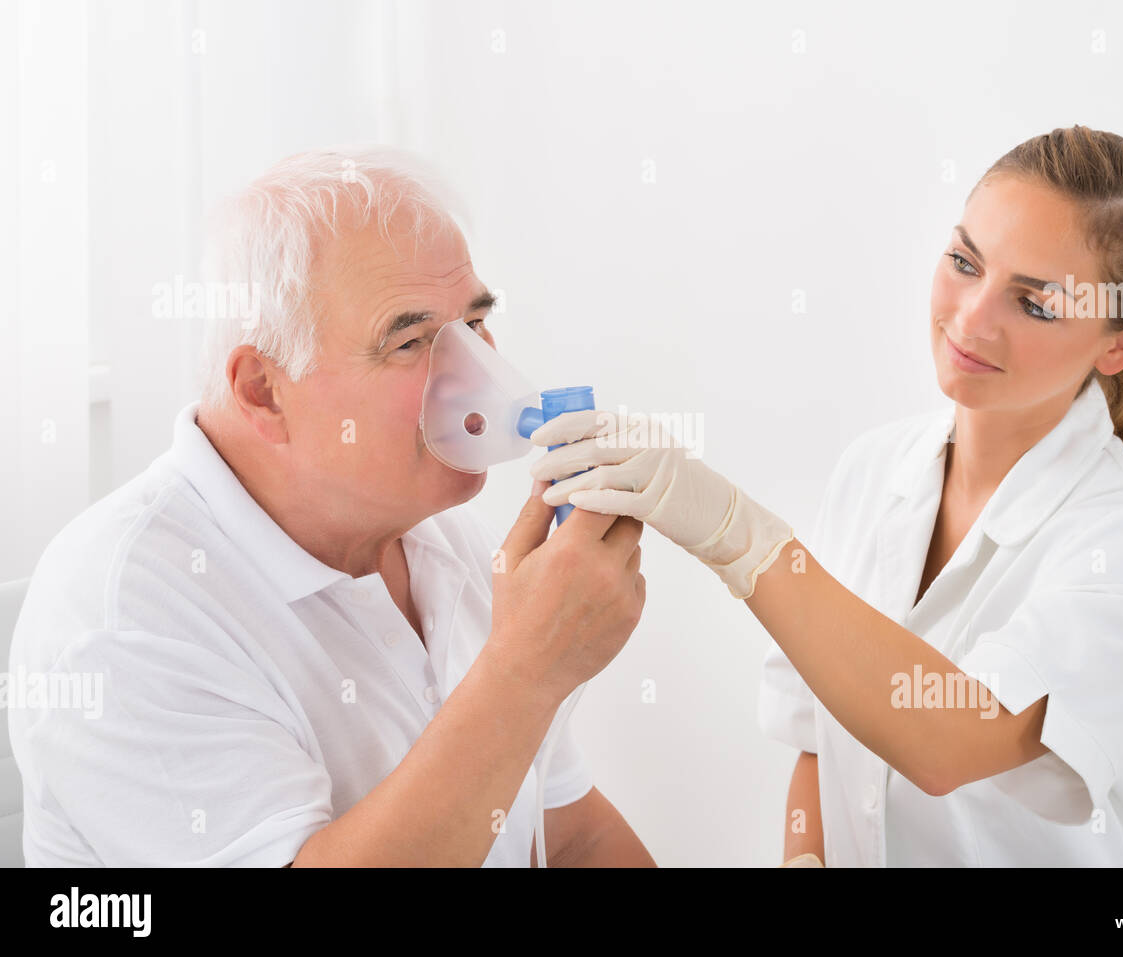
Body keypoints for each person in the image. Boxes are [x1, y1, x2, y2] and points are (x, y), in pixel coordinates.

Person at [529, 125, 1123, 866]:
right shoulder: (873, 471)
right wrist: (806, 856)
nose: (970, 317)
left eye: (1036, 303)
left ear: (1121, 343)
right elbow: (820, 733)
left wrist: (736, 534)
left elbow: (946, 737)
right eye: (965, 262)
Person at [8, 146, 654, 867]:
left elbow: (574, 840)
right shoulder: (122, 613)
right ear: (262, 388)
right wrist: (527, 669)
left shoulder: (450, 544)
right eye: (410, 342)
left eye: (473, 325)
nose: (480, 375)